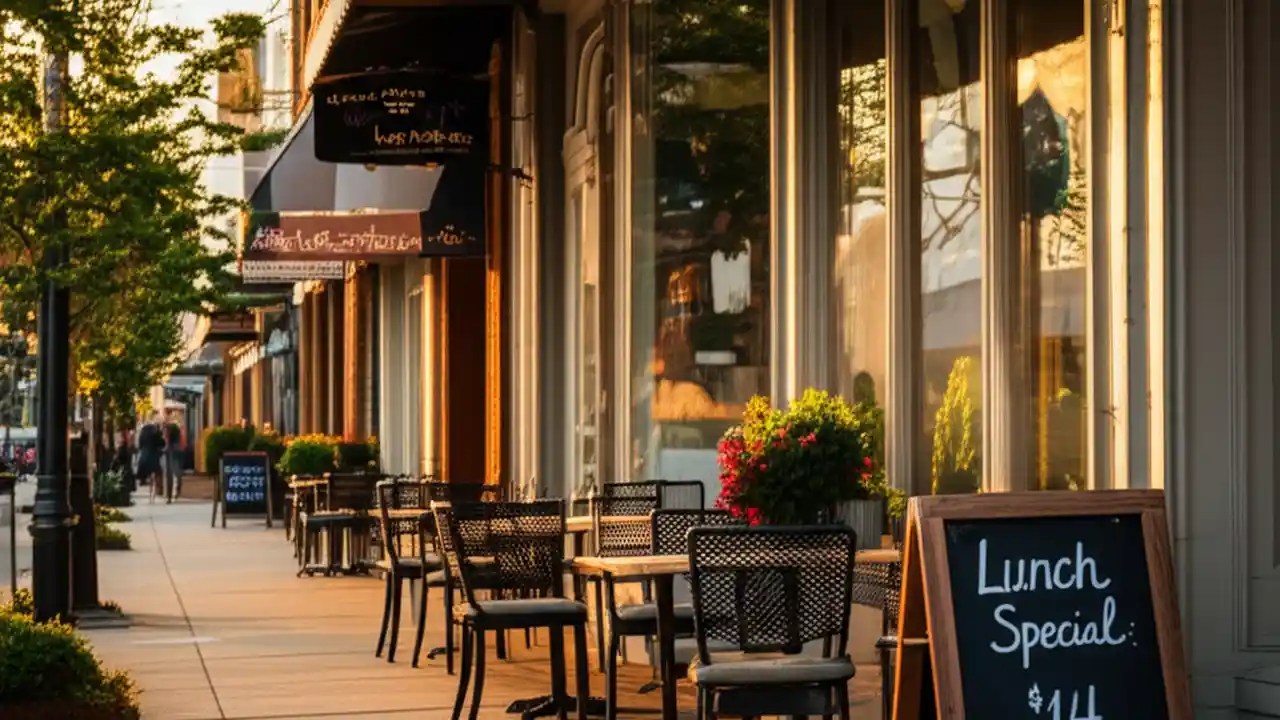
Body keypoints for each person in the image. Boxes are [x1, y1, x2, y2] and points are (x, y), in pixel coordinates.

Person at [135, 414, 164, 502]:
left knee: (147, 472)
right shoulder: (155, 431)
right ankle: (158, 490)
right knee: (158, 472)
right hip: (154, 455)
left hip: (144, 456)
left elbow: (140, 445)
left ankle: (145, 483)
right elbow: (161, 443)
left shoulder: (143, 432)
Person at [163, 413, 183, 503]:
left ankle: (169, 496)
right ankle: (175, 492)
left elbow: (166, 440)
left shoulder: (171, 428)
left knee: (170, 475)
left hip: (171, 453)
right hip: (176, 452)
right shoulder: (175, 428)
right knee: (177, 474)